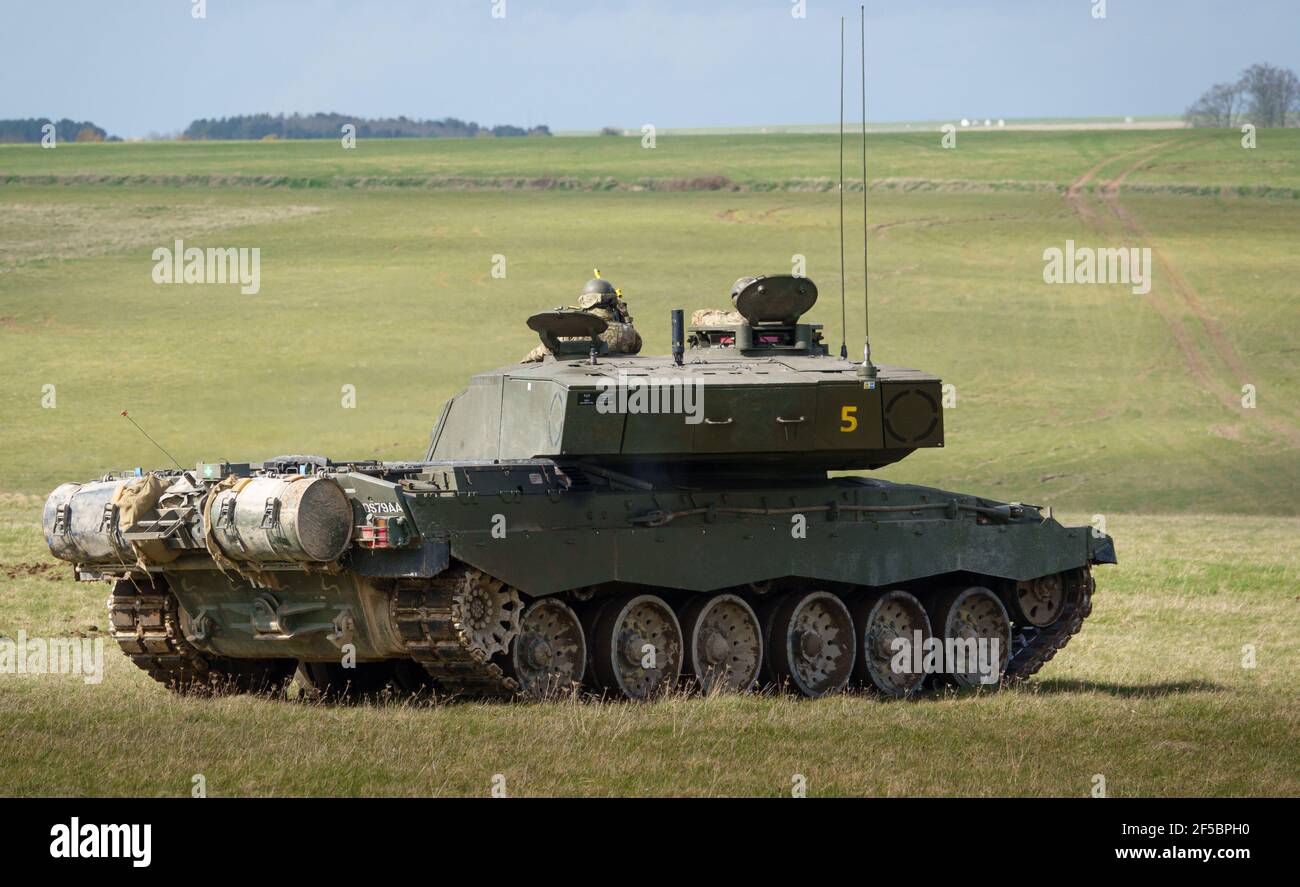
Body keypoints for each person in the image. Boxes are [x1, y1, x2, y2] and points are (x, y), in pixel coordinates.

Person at [521, 271, 643, 362]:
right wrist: (625, 318)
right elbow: (635, 346)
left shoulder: (570, 331)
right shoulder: (627, 334)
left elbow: (539, 353)